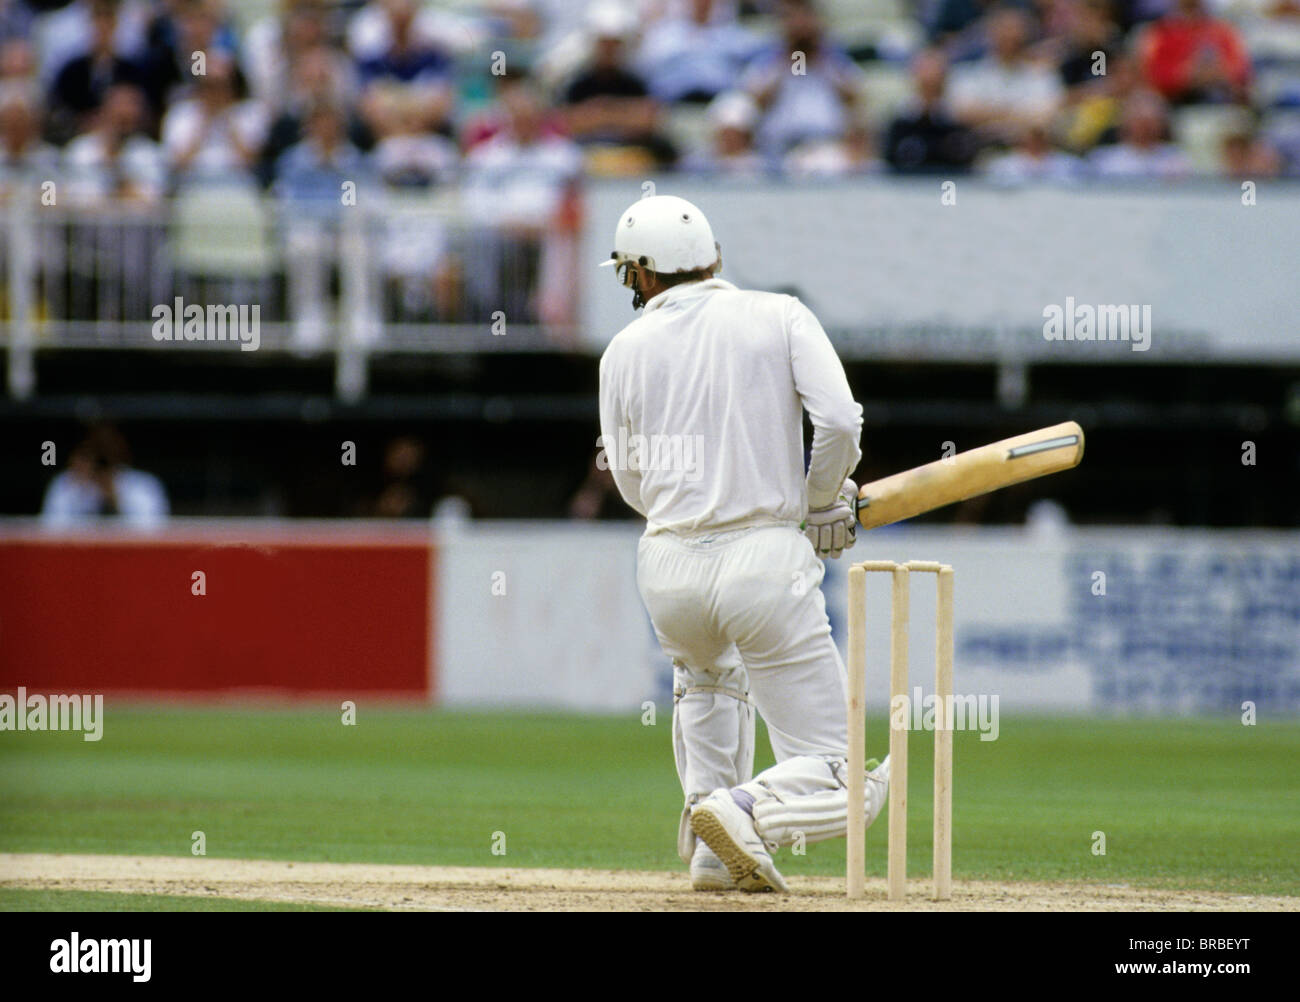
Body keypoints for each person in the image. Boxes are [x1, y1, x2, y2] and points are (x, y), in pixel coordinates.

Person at [596, 194, 888, 893]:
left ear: (643, 273)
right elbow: (841, 425)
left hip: (665, 563)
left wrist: (687, 506)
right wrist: (820, 501)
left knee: (707, 681)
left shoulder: (622, 350)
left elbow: (629, 477)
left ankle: (708, 845)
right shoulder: (779, 314)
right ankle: (744, 807)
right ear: (714, 257)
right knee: (846, 772)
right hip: (763, 557)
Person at [41, 423, 168, 527]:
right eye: (97, 449)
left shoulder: (144, 484)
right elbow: (51, 530)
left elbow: (155, 533)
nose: (101, 459)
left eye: (107, 449)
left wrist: (114, 498)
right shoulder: (65, 483)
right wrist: (79, 491)